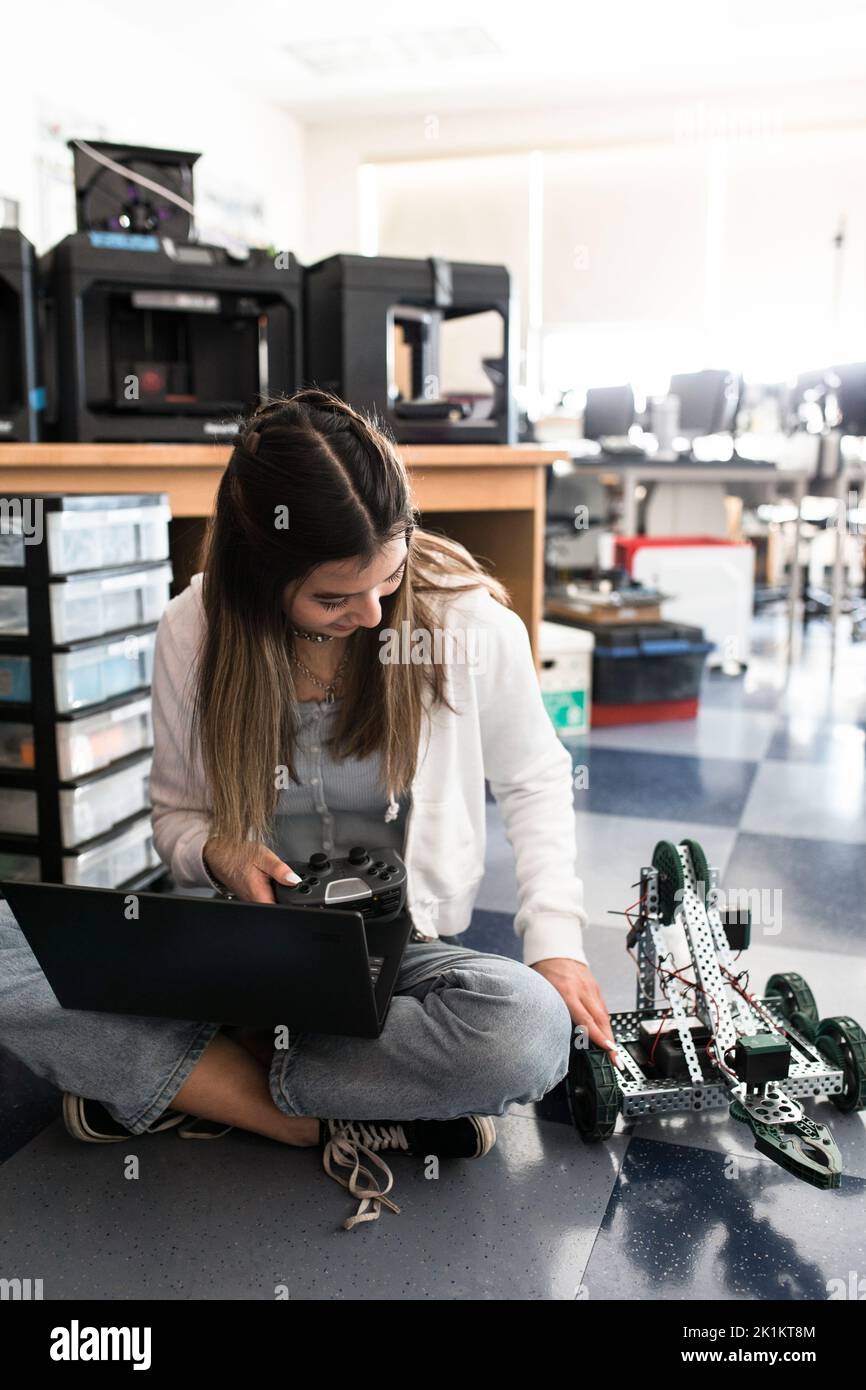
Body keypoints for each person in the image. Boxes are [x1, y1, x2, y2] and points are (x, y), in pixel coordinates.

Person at [0, 389, 617, 1231]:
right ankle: (317, 1106)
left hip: (398, 957)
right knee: (9, 950)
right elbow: (176, 820)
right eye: (334, 600)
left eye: (388, 577)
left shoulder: (465, 622)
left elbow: (536, 779)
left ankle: (205, 1080)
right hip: (241, 944)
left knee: (527, 1032)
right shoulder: (195, 630)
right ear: (261, 580)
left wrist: (556, 945)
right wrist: (220, 854)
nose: (370, 615)